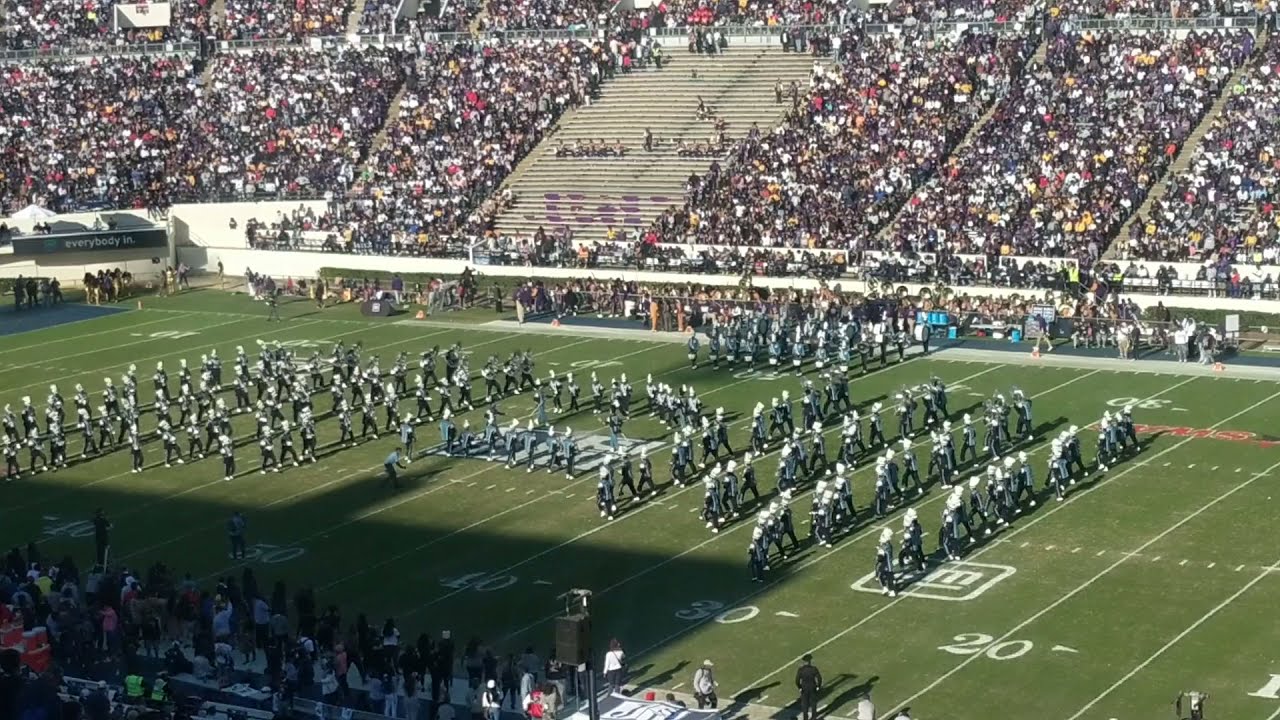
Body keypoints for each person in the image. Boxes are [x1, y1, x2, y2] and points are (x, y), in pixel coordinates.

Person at [795, 653, 822, 720]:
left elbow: (797, 680)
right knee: (813, 704)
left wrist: (800, 688)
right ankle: (813, 717)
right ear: (810, 661)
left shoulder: (801, 670)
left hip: (804, 688)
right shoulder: (814, 669)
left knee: (805, 704)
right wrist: (818, 686)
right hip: (812, 687)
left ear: (804, 662)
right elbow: (819, 678)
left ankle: (805, 718)